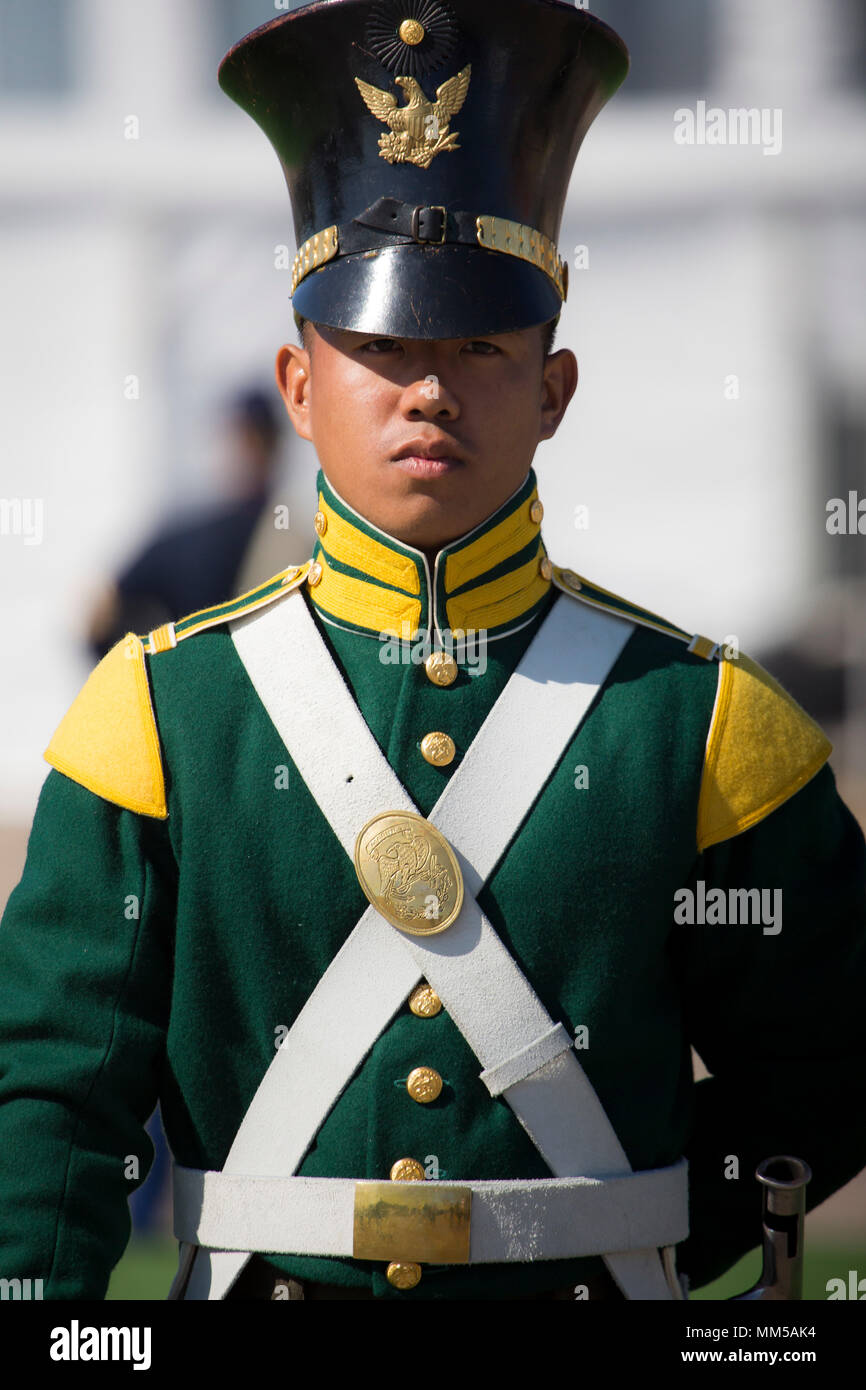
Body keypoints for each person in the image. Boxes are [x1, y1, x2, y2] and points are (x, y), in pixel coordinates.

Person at [0, 0, 864, 1304]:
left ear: (554, 389)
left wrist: (626, 1241)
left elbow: (831, 1061)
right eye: (381, 346)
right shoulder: (159, 715)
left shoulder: (702, 722)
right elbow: (50, 1110)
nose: (428, 389)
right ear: (298, 384)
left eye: (476, 345)